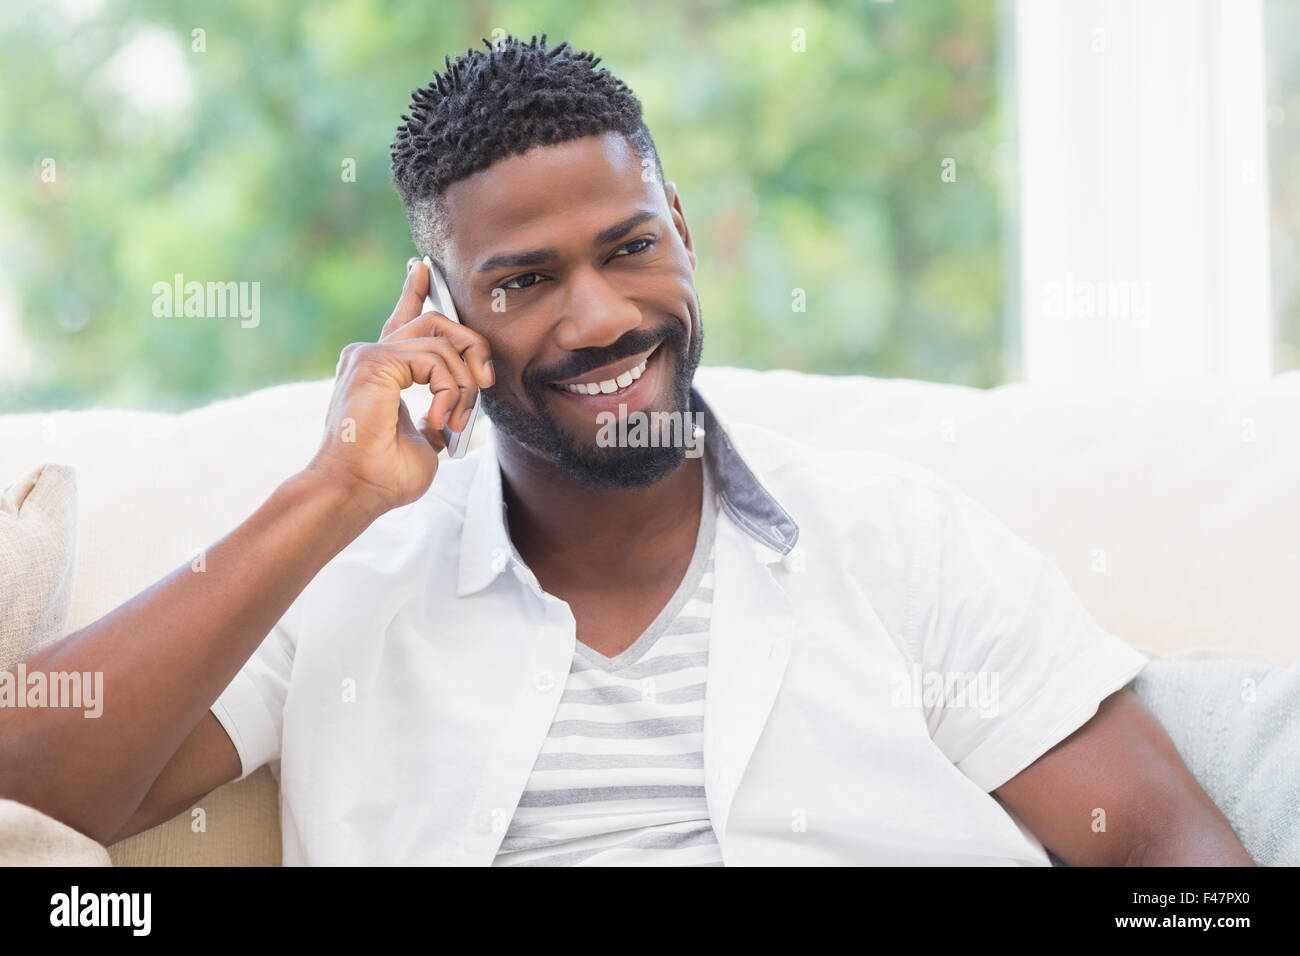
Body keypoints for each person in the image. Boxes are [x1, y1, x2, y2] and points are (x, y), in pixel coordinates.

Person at [0, 34, 1253, 866]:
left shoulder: (897, 539)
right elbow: (33, 801)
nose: (599, 316)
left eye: (629, 247)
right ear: (445, 316)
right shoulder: (343, 582)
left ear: (686, 237)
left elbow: (1174, 858)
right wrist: (329, 492)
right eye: (527, 278)